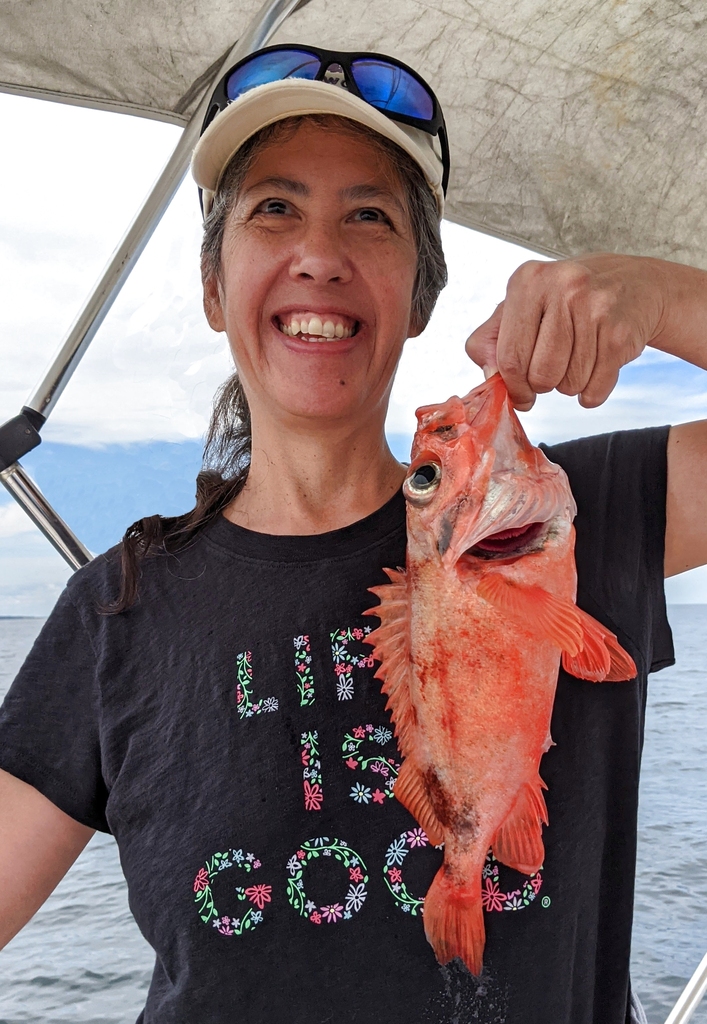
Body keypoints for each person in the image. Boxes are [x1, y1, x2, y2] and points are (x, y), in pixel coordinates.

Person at [0, 43, 705, 1024]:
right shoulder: (117, 611)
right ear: (214, 288)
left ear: (419, 293)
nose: (319, 254)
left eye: (367, 215)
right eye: (273, 208)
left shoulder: (559, 517)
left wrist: (667, 299)